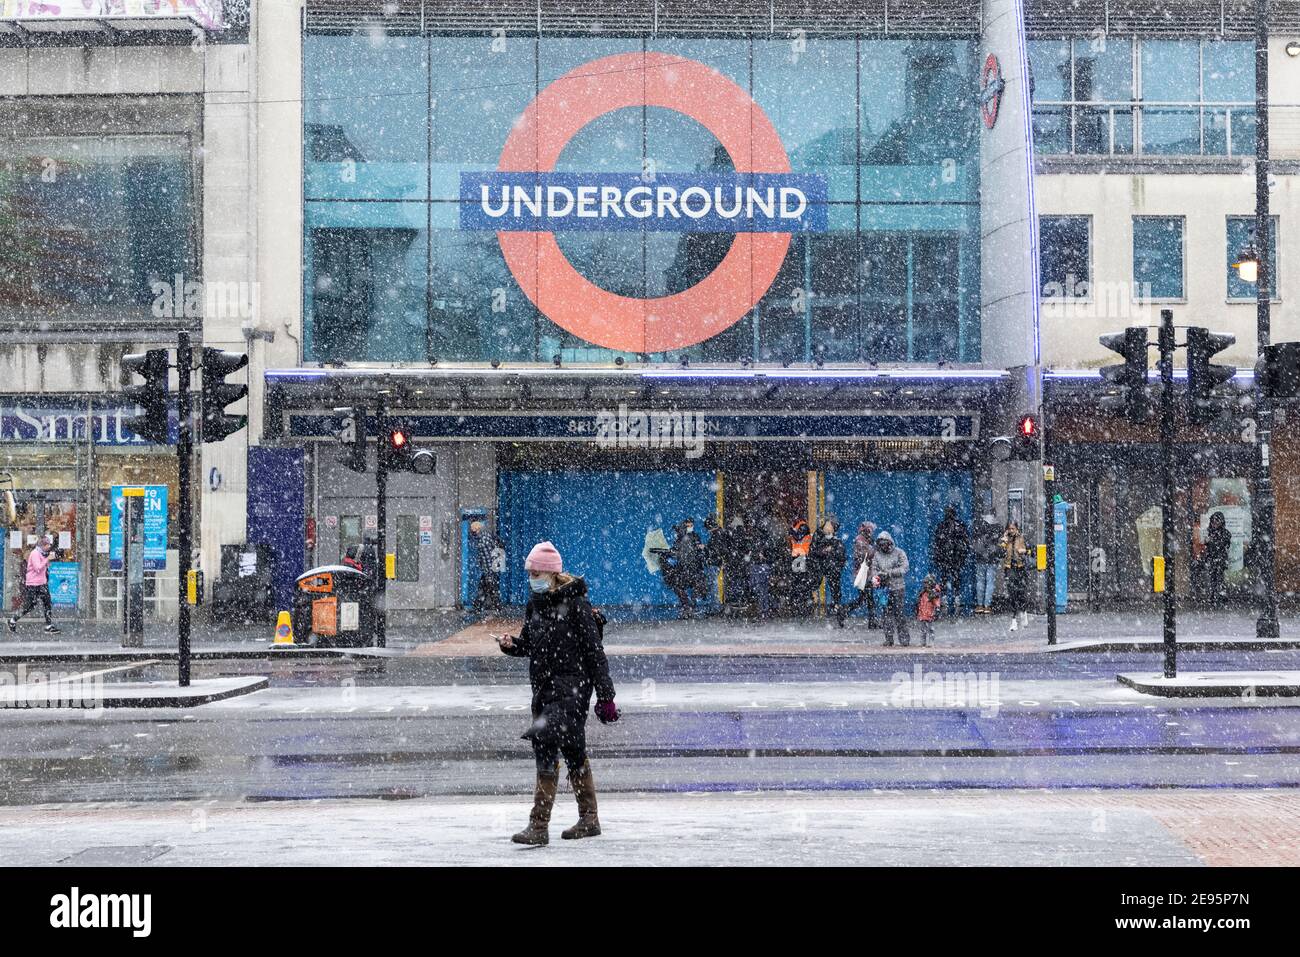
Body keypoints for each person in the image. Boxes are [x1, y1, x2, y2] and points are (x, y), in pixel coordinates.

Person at [496, 541, 618, 846]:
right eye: (529, 572)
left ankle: (538, 825)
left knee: (543, 734)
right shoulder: (535, 604)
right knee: (570, 751)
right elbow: (529, 645)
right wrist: (511, 645)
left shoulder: (577, 605)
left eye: (535, 572)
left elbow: (594, 653)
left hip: (572, 690)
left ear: (550, 573)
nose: (531, 578)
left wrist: (606, 697)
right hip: (544, 690)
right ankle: (589, 819)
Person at [8, 535, 59, 634]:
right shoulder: (35, 553)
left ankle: (48, 626)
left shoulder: (43, 554)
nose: (49, 546)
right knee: (29, 606)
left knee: (47, 604)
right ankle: (12, 620)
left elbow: (44, 567)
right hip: (33, 584)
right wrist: (47, 558)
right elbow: (38, 568)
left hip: (42, 583)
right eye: (47, 544)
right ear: (42, 545)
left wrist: (47, 560)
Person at [662, 518, 708, 619]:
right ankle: (688, 607)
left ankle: (689, 607)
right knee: (680, 587)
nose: (690, 527)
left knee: (691, 586)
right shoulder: (681, 538)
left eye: (691, 525)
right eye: (688, 525)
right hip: (685, 568)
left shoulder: (694, 537)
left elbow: (694, 550)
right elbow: (676, 551)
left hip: (693, 568)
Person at [870, 530, 910, 647]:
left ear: (890, 542)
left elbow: (904, 568)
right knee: (886, 614)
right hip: (884, 590)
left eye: (885, 544)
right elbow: (873, 569)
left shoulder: (899, 553)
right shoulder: (877, 555)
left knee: (899, 614)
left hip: (898, 588)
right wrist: (876, 577)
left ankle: (904, 639)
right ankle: (889, 639)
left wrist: (889, 573)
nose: (883, 547)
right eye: (881, 544)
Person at [931, 506, 970, 617]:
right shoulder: (959, 525)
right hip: (955, 558)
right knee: (956, 578)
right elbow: (965, 542)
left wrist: (937, 557)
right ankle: (956, 598)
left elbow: (937, 544)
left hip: (945, 558)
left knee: (945, 578)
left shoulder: (942, 526)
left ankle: (945, 599)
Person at [840, 521, 878, 627]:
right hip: (862, 574)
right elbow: (864, 556)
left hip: (867, 573)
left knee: (866, 598)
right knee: (866, 599)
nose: (870, 533)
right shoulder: (860, 541)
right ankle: (843, 611)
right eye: (869, 531)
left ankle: (844, 611)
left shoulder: (867, 540)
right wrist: (874, 549)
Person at [810, 515, 847, 625]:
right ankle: (808, 607)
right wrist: (824, 551)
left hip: (832, 568)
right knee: (813, 585)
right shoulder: (819, 534)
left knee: (836, 591)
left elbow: (841, 555)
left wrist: (838, 564)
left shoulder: (836, 539)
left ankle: (838, 612)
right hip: (820, 567)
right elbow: (813, 551)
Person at [468, 520, 505, 618]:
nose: (472, 532)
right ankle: (479, 607)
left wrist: (489, 573)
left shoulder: (483, 540)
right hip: (489, 569)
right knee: (485, 588)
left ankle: (496, 608)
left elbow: (489, 558)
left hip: (489, 569)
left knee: (490, 589)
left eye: (473, 530)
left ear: (477, 529)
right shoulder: (485, 537)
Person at [1000, 521, 1030, 632]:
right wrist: (1003, 543)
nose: (1011, 531)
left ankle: (1024, 611)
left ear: (1017, 529)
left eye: (1013, 528)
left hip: (1021, 568)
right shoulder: (1005, 539)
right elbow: (999, 554)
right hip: (1010, 569)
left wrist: (1025, 551)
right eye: (1009, 529)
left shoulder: (1022, 538)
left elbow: (1032, 551)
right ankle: (1013, 621)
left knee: (1021, 593)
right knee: (1012, 594)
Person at [971, 514, 1002, 615]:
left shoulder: (979, 527)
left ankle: (980, 605)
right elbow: (999, 545)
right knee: (990, 582)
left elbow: (975, 545)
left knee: (980, 581)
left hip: (980, 559)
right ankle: (987, 606)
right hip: (992, 559)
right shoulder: (997, 528)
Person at [1204, 511, 1232, 602]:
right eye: (1213, 522)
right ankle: (1213, 594)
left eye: (1217, 522)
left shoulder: (1225, 533)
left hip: (1220, 559)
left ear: (1221, 522)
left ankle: (1221, 594)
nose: (1214, 524)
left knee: (1219, 576)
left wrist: (1211, 542)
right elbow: (1208, 546)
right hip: (1212, 558)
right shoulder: (1209, 531)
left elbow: (1223, 545)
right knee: (1213, 577)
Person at [916, 574, 942, 648]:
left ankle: (931, 642)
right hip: (923, 614)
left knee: (931, 629)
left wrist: (937, 610)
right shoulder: (923, 593)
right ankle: (923, 642)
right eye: (925, 583)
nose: (925, 585)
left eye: (927, 583)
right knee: (923, 630)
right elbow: (920, 603)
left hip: (930, 614)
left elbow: (937, 602)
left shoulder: (933, 594)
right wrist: (918, 611)